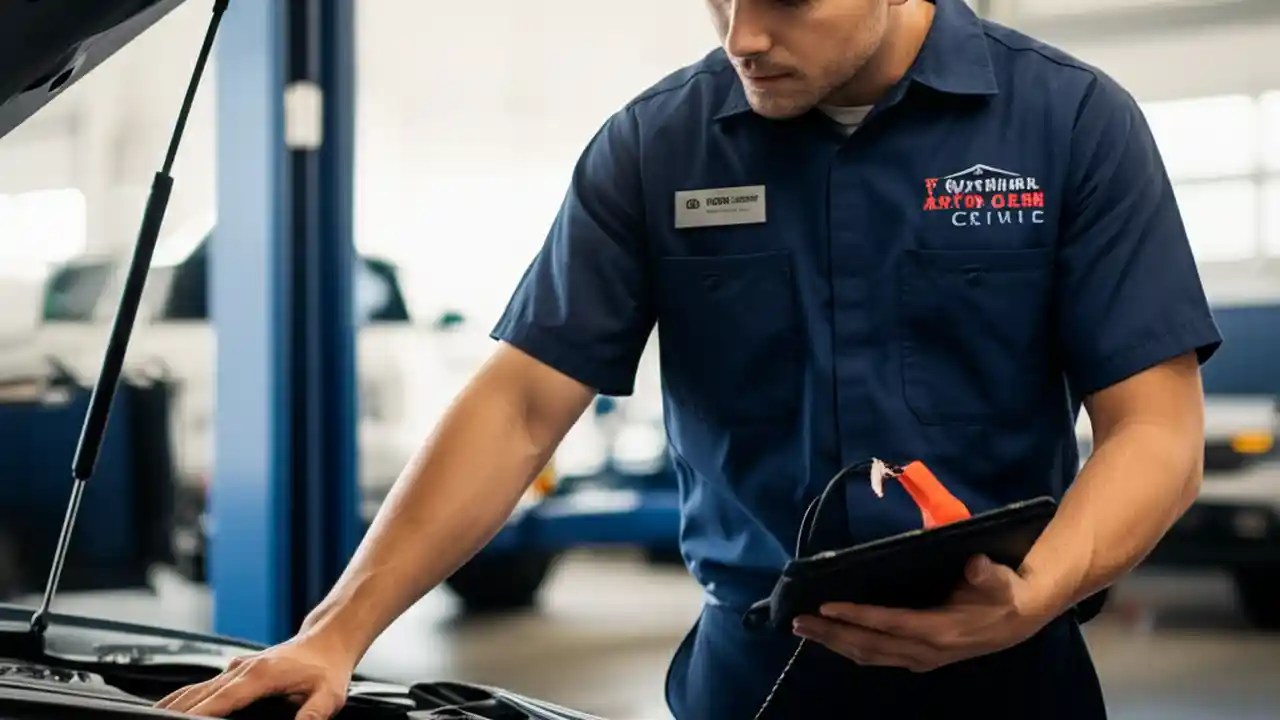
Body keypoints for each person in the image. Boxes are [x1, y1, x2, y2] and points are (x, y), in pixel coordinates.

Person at [156, 0, 1222, 718]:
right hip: (750, 673)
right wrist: (334, 633)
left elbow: (1156, 430)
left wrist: (1033, 595)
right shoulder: (654, 147)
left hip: (1006, 664)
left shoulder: (1069, 124)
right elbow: (523, 402)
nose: (742, 36)